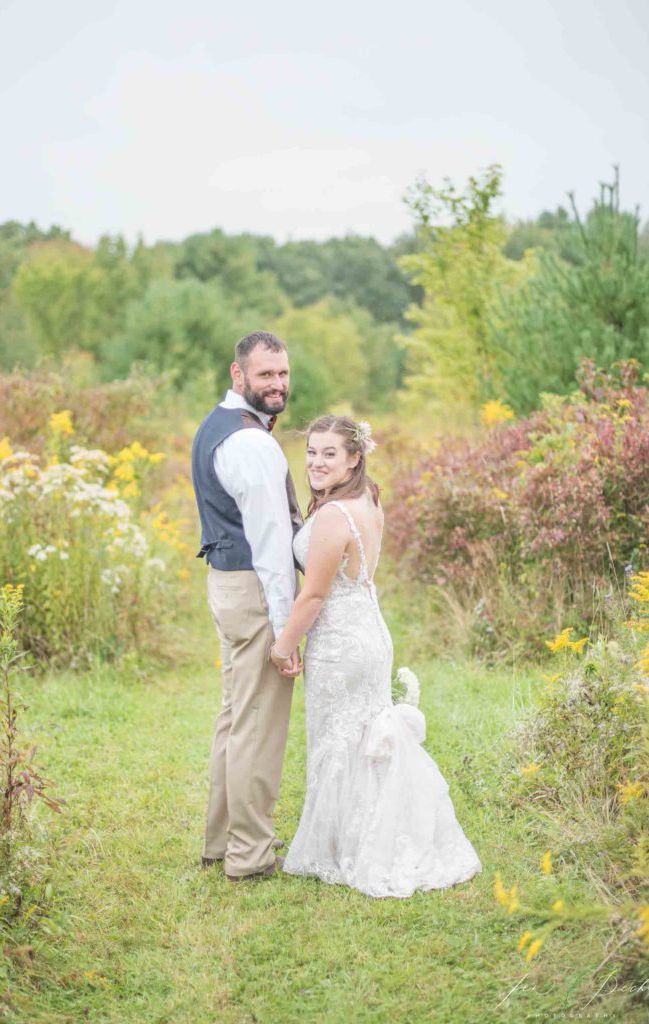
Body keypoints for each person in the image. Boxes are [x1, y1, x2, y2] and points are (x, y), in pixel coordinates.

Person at [270, 414, 482, 898]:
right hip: (368, 629)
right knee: (362, 737)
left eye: (330, 454)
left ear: (354, 458)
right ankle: (370, 834)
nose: (317, 463)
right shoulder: (368, 498)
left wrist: (282, 647)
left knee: (340, 740)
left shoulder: (331, 516)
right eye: (311, 452)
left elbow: (313, 596)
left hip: (343, 642)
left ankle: (356, 848)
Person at [191, 331, 303, 882]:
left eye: (283, 373)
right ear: (239, 376)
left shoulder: (218, 426)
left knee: (236, 718)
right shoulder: (252, 445)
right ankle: (250, 855)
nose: (277, 384)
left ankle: (220, 843)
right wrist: (286, 635)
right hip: (254, 590)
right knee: (257, 725)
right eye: (265, 375)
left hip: (227, 585)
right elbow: (272, 548)